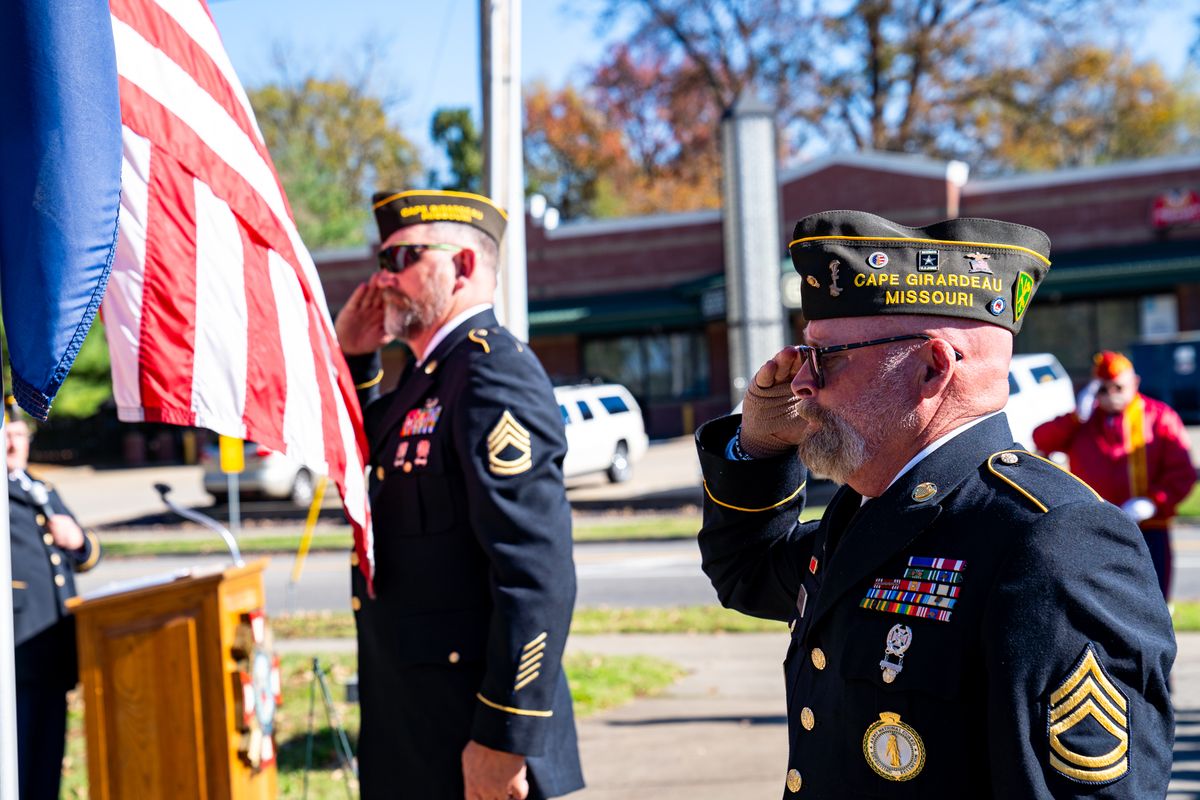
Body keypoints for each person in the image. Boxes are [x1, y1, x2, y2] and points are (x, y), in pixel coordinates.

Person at [695, 210, 1175, 797]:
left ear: (932, 367)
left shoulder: (1052, 541)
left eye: (828, 357)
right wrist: (760, 447)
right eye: (804, 353)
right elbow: (747, 573)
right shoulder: (869, 509)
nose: (801, 382)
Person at [335, 189, 583, 800]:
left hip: (474, 740)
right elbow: (365, 461)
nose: (382, 278)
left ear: (463, 266)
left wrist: (504, 739)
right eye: (381, 259)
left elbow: (536, 575)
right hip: (417, 732)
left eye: (403, 259)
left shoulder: (491, 372)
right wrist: (354, 358)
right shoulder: (429, 379)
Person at [1034, 351, 1197, 599]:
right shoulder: (1083, 421)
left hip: (1148, 529)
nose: (1111, 396)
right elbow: (1042, 438)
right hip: (1096, 529)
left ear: (1134, 383)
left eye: (1118, 387)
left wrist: (1153, 502)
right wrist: (1076, 416)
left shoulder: (1159, 417)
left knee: (1152, 603)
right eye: (1103, 389)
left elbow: (1183, 471)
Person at [7, 399, 101, 799]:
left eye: (19, 435)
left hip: (55, 645)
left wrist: (78, 541)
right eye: (4, 437)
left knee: (47, 758)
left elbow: (89, 555)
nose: (14, 445)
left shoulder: (42, 488)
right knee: (17, 762)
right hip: (15, 648)